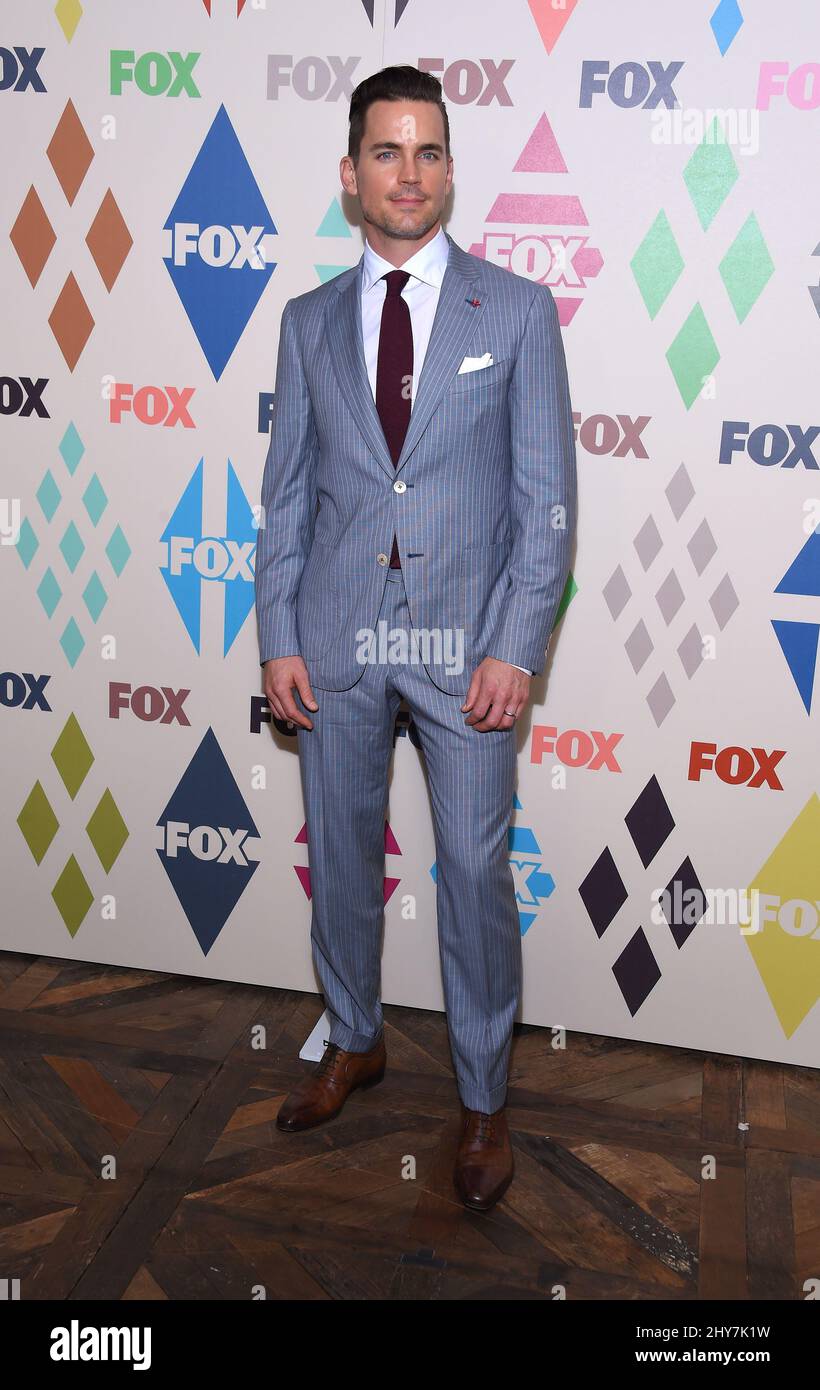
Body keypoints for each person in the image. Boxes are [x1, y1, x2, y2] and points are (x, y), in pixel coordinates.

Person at [255, 65, 577, 1211]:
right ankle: (355, 1036)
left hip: (468, 653)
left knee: (475, 872)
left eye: (427, 151)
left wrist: (514, 646)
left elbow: (545, 499)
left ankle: (484, 1100)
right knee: (340, 858)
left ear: (448, 169)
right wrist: (277, 632)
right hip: (334, 642)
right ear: (351, 176)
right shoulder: (304, 324)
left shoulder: (517, 309)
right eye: (386, 152)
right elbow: (286, 496)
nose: (408, 172)